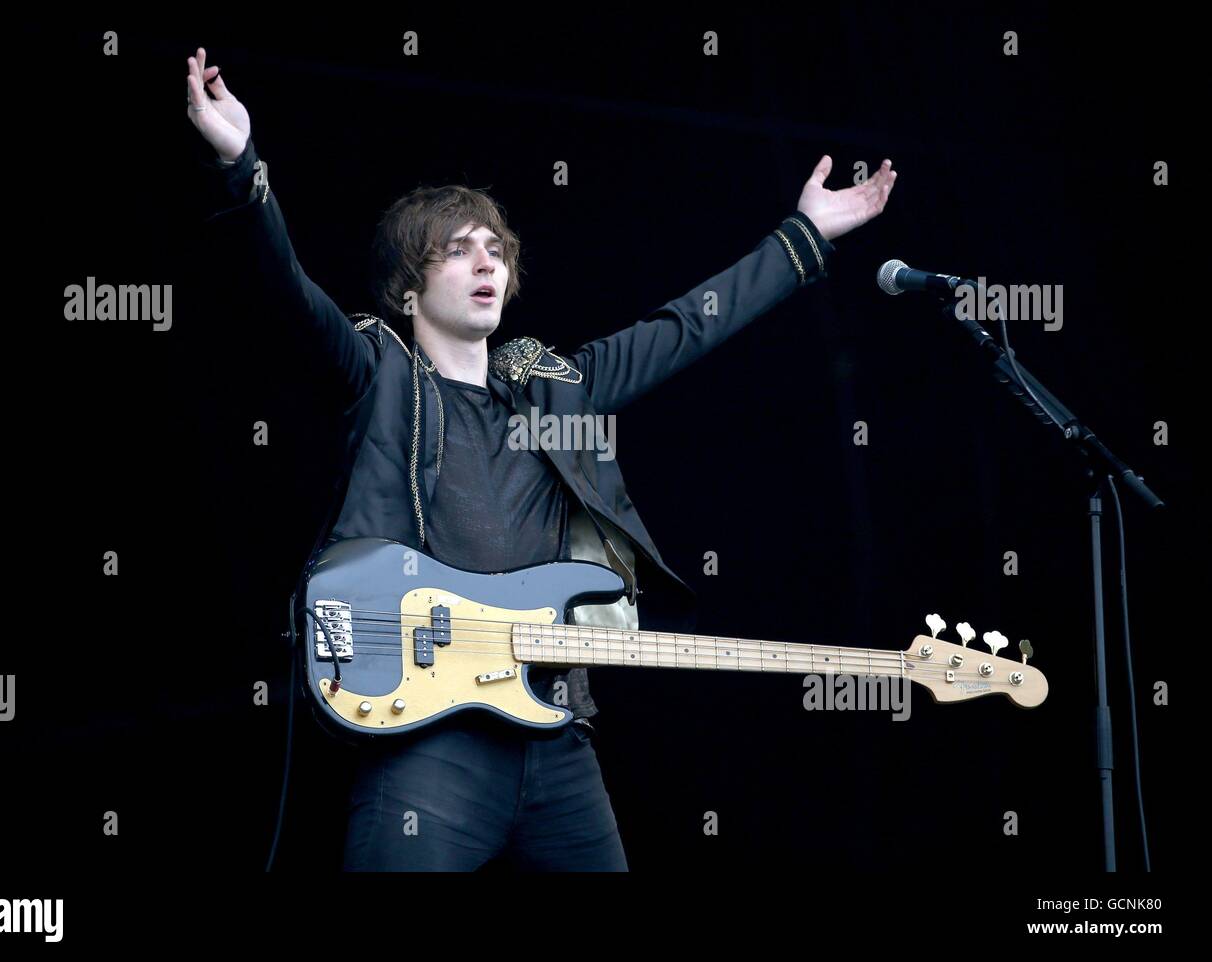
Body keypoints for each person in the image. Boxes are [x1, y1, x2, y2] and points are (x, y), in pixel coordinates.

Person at [184, 46, 897, 871]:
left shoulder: (559, 388)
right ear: (407, 289)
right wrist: (242, 163)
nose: (486, 260)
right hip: (429, 745)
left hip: (557, 734)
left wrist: (805, 234)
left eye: (495, 248)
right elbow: (286, 294)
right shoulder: (377, 372)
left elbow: (689, 325)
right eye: (457, 250)